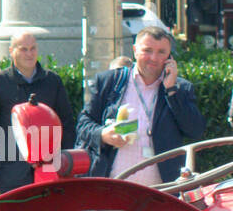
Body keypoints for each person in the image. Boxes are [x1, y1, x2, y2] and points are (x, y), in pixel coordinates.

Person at [78, 26, 206, 186]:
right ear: (135, 51)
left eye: (161, 52)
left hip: (161, 191)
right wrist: (103, 135)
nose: (154, 58)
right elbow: (83, 124)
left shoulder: (180, 88)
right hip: (112, 186)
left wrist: (172, 91)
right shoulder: (109, 82)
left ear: (170, 56)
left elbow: (195, 131)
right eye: (148, 50)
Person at [0, 32, 76, 193]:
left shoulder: (52, 81)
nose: (29, 54)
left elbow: (67, 123)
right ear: (11, 51)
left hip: (50, 169)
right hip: (12, 172)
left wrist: (66, 161)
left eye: (33, 48)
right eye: (23, 49)